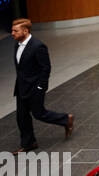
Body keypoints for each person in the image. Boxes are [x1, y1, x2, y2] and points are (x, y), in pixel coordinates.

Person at [10, 18, 73, 153]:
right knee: (21, 117)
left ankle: (66, 119)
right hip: (21, 88)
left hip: (34, 88)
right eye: (12, 30)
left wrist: (40, 87)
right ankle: (29, 144)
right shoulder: (17, 44)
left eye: (15, 31)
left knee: (39, 114)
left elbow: (46, 68)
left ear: (25, 31)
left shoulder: (38, 46)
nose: (12, 33)